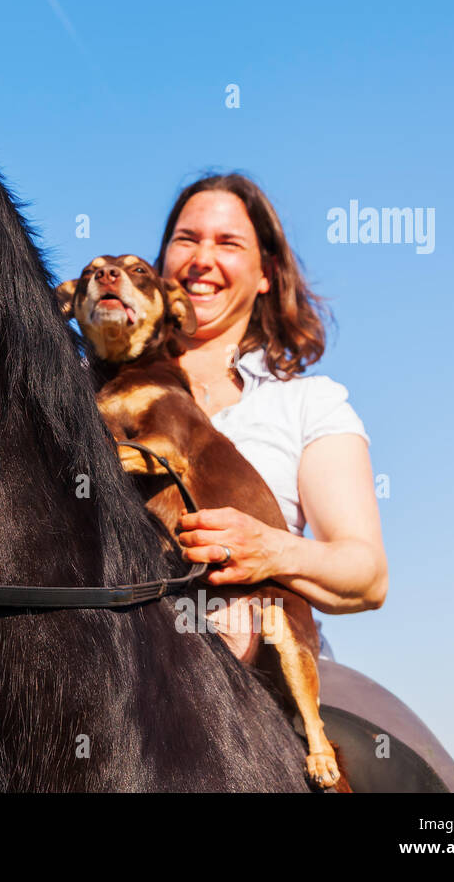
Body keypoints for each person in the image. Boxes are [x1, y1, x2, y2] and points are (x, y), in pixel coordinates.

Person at [155, 174, 387, 622]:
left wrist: (270, 549)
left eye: (229, 243)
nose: (202, 259)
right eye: (186, 239)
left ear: (266, 273)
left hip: (258, 671)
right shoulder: (93, 387)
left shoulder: (310, 403)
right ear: (163, 260)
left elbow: (368, 575)